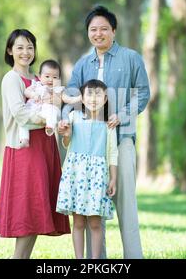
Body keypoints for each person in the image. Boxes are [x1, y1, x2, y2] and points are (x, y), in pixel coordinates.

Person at [59, 5, 150, 259]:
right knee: (91, 208)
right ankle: (95, 261)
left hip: (122, 139)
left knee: (125, 204)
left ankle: (133, 257)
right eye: (93, 29)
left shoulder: (131, 58)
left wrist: (124, 115)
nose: (98, 34)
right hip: (89, 146)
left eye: (103, 29)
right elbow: (71, 96)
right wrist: (66, 119)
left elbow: (143, 92)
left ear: (113, 30)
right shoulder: (82, 64)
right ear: (88, 32)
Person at [0, 29, 70, 259]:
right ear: (10, 51)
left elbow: (54, 103)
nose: (25, 52)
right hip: (25, 150)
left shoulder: (38, 79)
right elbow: (20, 114)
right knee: (27, 212)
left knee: (37, 212)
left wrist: (58, 120)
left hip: (45, 148)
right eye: (19, 47)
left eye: (29, 47)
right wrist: (49, 118)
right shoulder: (12, 79)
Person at [56, 79, 118, 259]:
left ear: (105, 99)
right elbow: (67, 143)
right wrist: (66, 135)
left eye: (98, 94)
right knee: (78, 222)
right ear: (82, 99)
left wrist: (113, 178)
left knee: (95, 223)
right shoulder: (74, 118)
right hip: (76, 174)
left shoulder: (109, 125)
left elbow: (113, 153)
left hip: (98, 177)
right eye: (89, 94)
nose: (93, 98)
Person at [19, 59, 81, 147]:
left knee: (52, 110)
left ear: (59, 79)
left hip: (48, 113)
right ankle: (24, 139)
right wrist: (33, 95)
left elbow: (67, 99)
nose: (51, 80)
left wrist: (78, 98)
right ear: (40, 76)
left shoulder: (58, 90)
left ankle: (50, 126)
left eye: (55, 77)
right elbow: (26, 92)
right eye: (47, 76)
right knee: (22, 123)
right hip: (33, 111)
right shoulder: (36, 85)